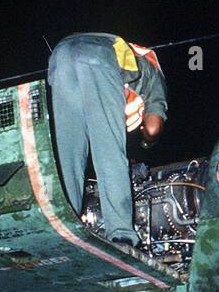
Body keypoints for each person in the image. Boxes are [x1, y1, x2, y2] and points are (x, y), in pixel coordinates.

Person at [46, 32, 167, 250]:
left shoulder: (132, 71)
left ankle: (64, 231)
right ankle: (121, 235)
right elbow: (153, 126)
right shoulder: (152, 72)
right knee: (109, 152)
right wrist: (146, 142)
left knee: (68, 157)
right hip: (99, 55)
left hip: (60, 53)